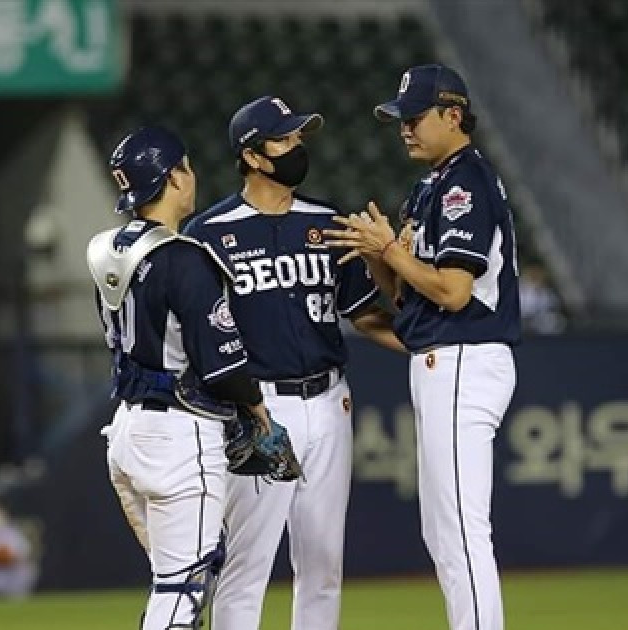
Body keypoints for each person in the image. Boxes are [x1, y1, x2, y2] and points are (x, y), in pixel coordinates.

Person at [183, 95, 401, 630]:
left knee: (323, 564)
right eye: (284, 139)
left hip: (329, 401)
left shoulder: (327, 221)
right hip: (258, 408)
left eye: (299, 137)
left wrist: (428, 344)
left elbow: (363, 314)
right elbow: (197, 337)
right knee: (247, 565)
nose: (297, 147)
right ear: (252, 156)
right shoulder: (209, 234)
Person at [325, 64, 521, 630]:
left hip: (465, 358)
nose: (404, 128)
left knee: (460, 529)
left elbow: (454, 292)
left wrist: (391, 250)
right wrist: (377, 255)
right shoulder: (431, 186)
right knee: (442, 531)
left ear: (453, 116)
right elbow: (408, 295)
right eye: (400, 119)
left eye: (415, 117)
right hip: (444, 361)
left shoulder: (466, 183)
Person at [87, 125, 281, 630]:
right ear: (173, 177)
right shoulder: (184, 258)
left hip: (126, 432)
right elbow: (223, 366)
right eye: (186, 167)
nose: (192, 177)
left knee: (173, 581)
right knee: (183, 586)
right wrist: (258, 411)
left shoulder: (106, 251)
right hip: (178, 434)